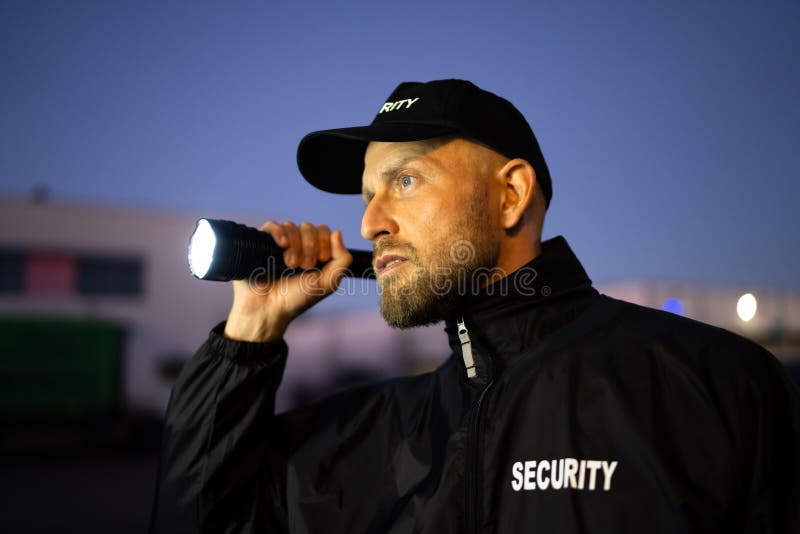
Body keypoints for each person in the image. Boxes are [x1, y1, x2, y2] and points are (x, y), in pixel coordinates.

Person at [150, 79, 800, 533]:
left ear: (512, 194)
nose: (372, 221)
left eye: (404, 180)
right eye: (367, 195)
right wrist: (249, 334)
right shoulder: (369, 434)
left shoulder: (715, 386)